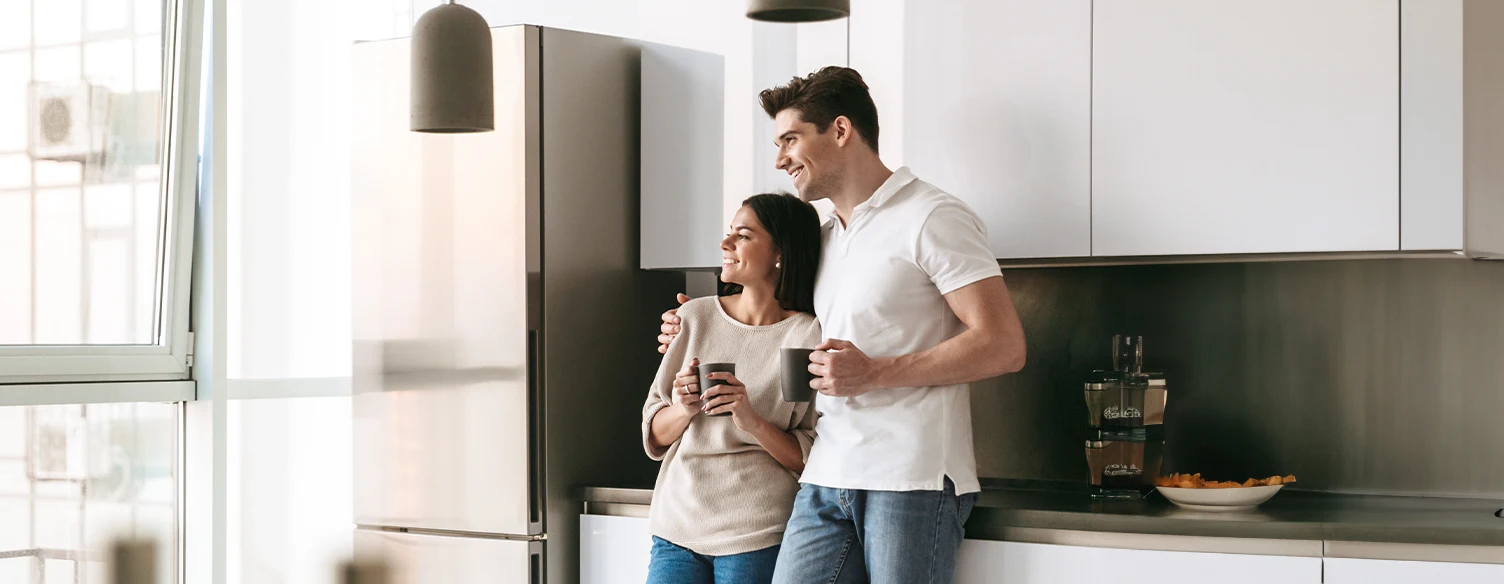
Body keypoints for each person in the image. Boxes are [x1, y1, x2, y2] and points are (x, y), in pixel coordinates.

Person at [657, 67, 1028, 583]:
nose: (780, 158)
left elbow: (1004, 344)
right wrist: (689, 321)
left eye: (790, 139)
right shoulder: (826, 238)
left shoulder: (933, 216)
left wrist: (874, 373)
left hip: (911, 478)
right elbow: (768, 317)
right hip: (825, 473)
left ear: (839, 130)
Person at [641, 193, 826, 584]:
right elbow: (654, 433)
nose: (725, 245)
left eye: (742, 236)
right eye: (729, 234)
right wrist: (684, 408)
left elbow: (807, 455)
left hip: (756, 535)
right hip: (677, 528)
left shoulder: (806, 335)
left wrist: (751, 420)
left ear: (780, 253)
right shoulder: (694, 317)